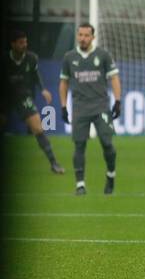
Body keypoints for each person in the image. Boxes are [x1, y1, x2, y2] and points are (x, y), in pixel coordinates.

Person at [59, 23, 121, 195]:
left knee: (107, 143)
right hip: (80, 108)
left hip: (101, 106)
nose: (83, 38)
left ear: (93, 37)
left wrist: (118, 101)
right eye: (80, 35)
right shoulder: (69, 57)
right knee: (79, 145)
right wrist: (64, 106)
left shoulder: (103, 55)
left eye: (86, 35)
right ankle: (80, 185)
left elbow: (114, 77)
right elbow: (63, 82)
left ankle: (110, 175)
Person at [7, 30, 64, 174]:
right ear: (12, 44)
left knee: (38, 128)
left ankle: (54, 163)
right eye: (21, 43)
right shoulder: (4, 59)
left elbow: (36, 75)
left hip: (22, 96)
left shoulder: (31, 58)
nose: (24, 45)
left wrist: (43, 89)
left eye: (25, 42)